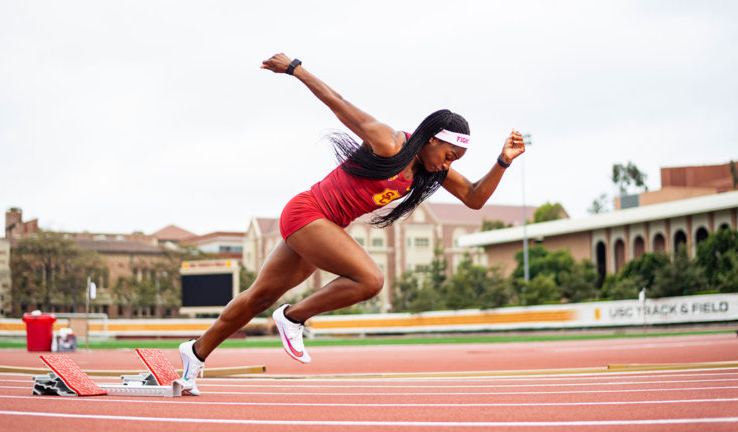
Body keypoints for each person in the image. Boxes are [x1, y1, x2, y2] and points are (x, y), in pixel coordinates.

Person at [178, 53, 526, 395]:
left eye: (454, 161)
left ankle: (195, 353)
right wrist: (296, 69)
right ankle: (293, 317)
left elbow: (475, 198)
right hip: (307, 213)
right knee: (371, 279)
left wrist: (502, 161)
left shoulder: (429, 170)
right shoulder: (389, 143)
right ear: (433, 138)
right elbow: (337, 101)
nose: (446, 165)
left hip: (321, 227)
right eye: (448, 155)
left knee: (259, 297)